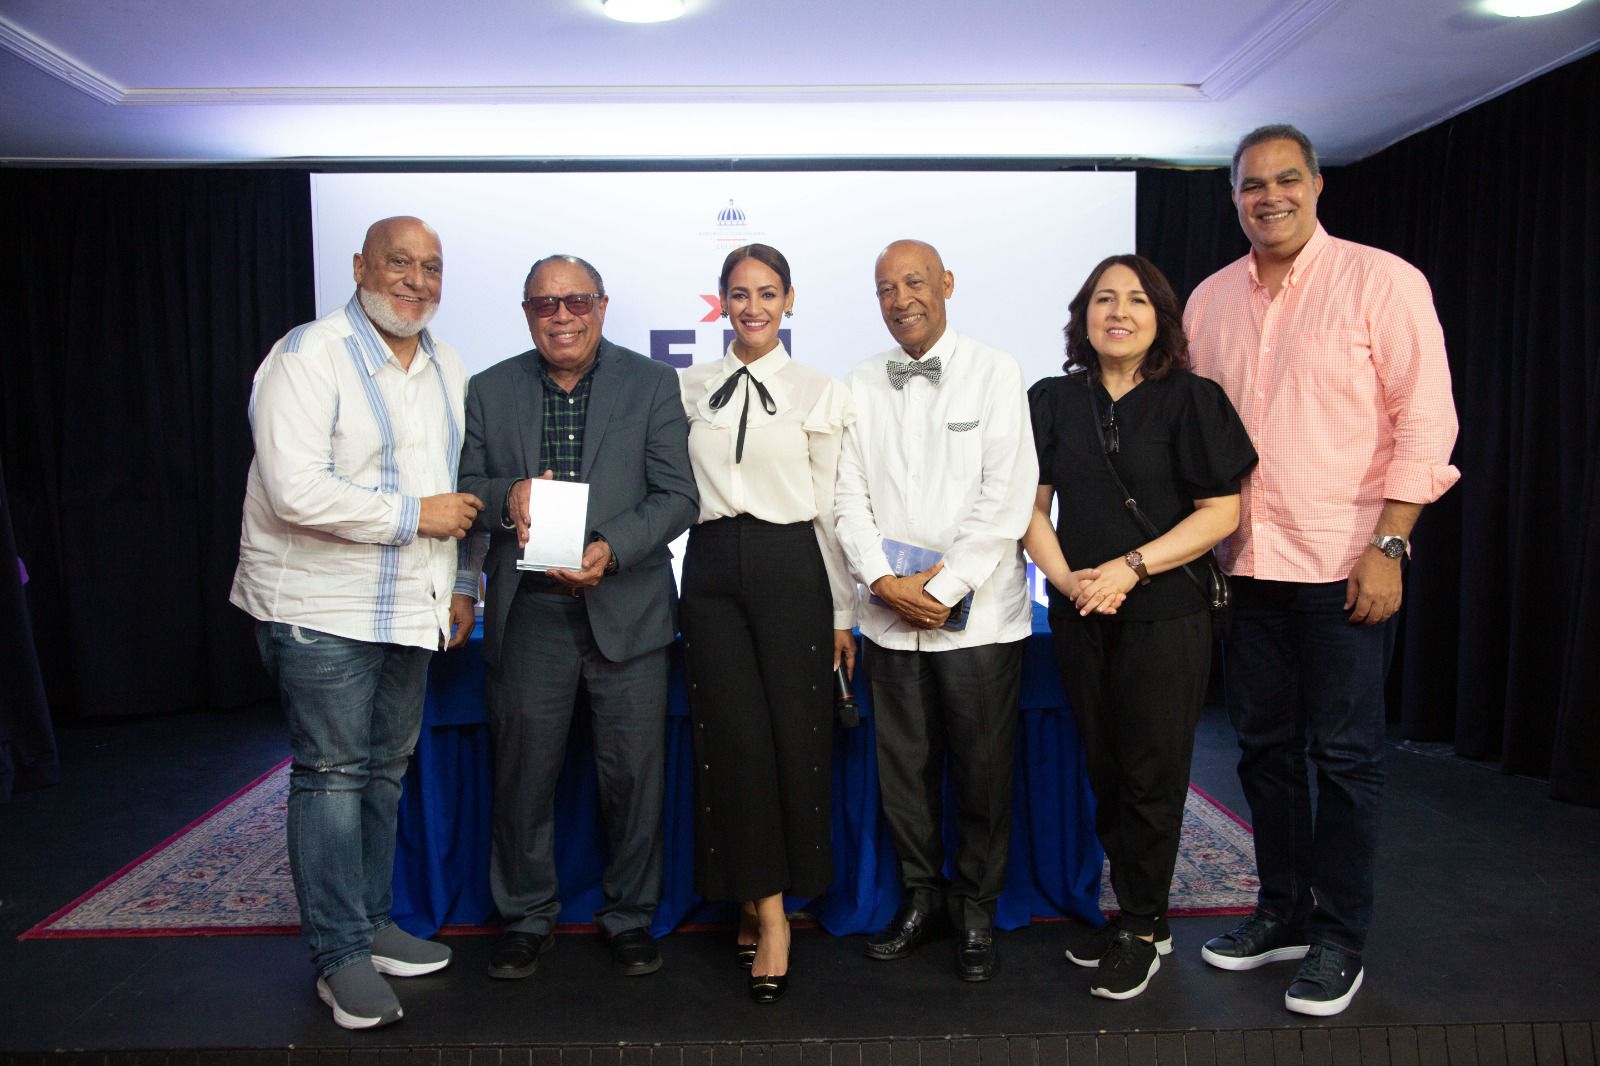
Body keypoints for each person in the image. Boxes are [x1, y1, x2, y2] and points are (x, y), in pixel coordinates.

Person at [1184, 124, 1461, 1016]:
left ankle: (1340, 938)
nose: (1269, 196)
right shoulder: (1210, 300)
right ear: (1233, 196)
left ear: (1318, 184)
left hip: (1346, 565)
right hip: (1249, 565)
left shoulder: (1382, 281)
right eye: (1252, 185)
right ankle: (1281, 914)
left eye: (1286, 179)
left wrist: (1391, 546)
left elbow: (1426, 421)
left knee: (1345, 759)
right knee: (1263, 751)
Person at [230, 216, 483, 1030]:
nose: (416, 280)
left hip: (407, 608)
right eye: (399, 263)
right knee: (332, 777)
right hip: (320, 610)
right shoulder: (308, 357)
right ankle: (338, 957)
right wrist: (418, 516)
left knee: (382, 772)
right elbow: (294, 491)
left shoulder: (448, 363)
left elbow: (457, 493)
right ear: (360, 266)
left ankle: (371, 924)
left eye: (431, 267)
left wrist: (460, 584)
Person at [456, 254, 697, 983]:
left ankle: (629, 917)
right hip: (530, 615)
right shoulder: (489, 389)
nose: (561, 316)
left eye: (575, 301)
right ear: (527, 312)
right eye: (544, 304)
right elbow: (467, 487)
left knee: (633, 781)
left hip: (627, 608)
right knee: (524, 780)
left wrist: (611, 550)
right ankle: (527, 918)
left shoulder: (652, 381)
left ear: (601, 304)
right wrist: (509, 496)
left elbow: (678, 494)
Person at [1023, 254, 1257, 1000]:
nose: (1117, 312)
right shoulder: (1051, 400)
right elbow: (1027, 506)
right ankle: (1139, 919)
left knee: (1154, 772)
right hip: (1079, 607)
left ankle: (1146, 924)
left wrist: (1130, 567)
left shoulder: (1194, 400)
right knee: (1106, 768)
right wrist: (1065, 581)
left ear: (1160, 317)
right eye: (1102, 299)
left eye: (1135, 300)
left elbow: (1221, 513)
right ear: (1082, 314)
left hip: (1165, 611)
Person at [834, 238, 1038, 983]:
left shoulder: (995, 371)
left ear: (947, 284)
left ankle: (976, 908)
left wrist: (942, 590)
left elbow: (1007, 497)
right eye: (885, 287)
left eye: (914, 282)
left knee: (982, 774)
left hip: (979, 621)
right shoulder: (858, 381)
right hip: (889, 618)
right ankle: (920, 898)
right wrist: (886, 584)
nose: (900, 299)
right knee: (904, 774)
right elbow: (845, 497)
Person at [677, 244, 857, 1004]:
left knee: (794, 739)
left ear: (789, 302)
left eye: (768, 293)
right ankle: (761, 905)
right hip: (712, 567)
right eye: (740, 293)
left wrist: (845, 609)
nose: (753, 306)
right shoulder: (686, 387)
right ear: (719, 301)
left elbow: (830, 507)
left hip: (792, 569)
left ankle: (774, 908)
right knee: (733, 742)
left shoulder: (820, 390)